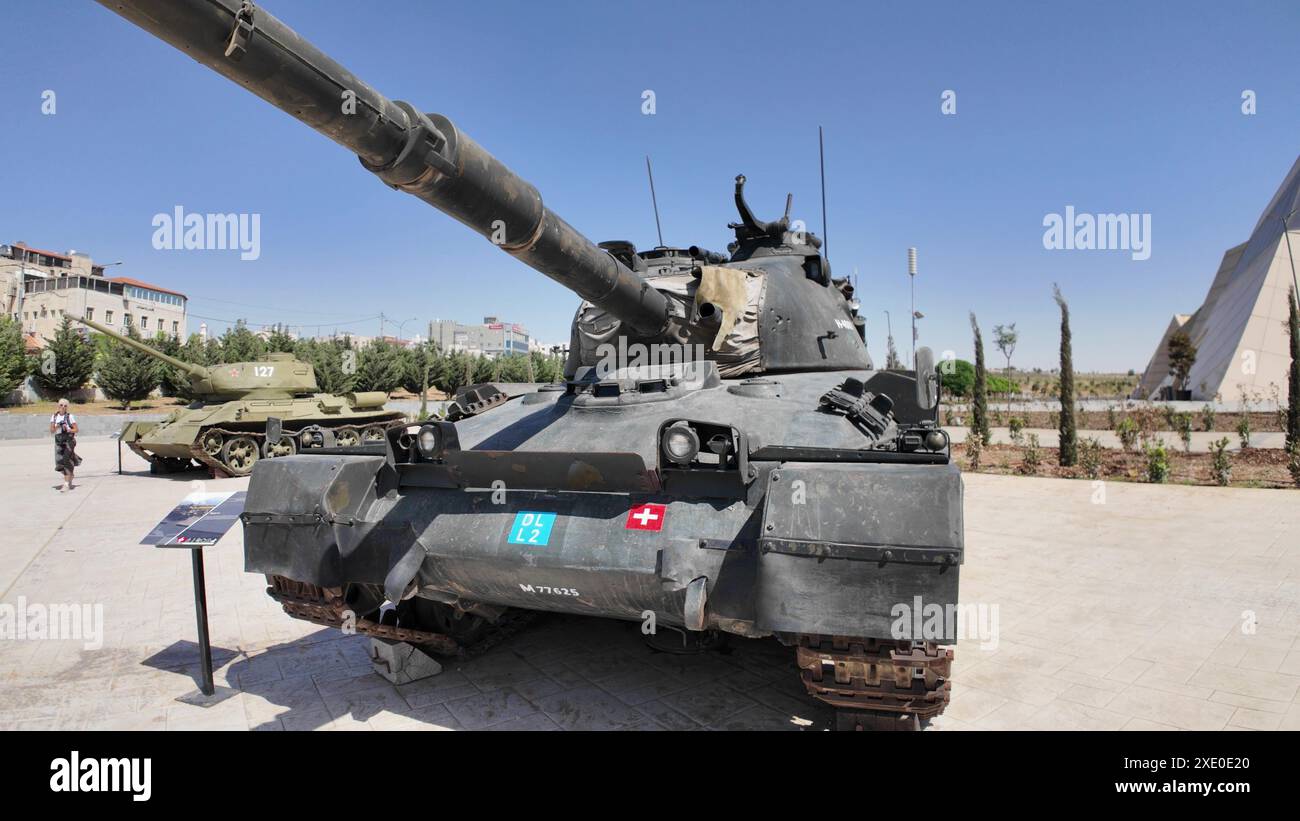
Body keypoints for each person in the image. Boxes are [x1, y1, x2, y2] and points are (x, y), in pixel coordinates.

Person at [50, 398, 82, 492]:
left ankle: (66, 484)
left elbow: (76, 430)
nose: (63, 407)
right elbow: (52, 430)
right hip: (59, 441)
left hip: (69, 440)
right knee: (59, 463)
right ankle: (71, 471)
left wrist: (68, 429)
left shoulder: (69, 416)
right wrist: (58, 426)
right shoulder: (54, 417)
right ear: (58, 406)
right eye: (61, 405)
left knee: (66, 460)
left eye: (65, 405)